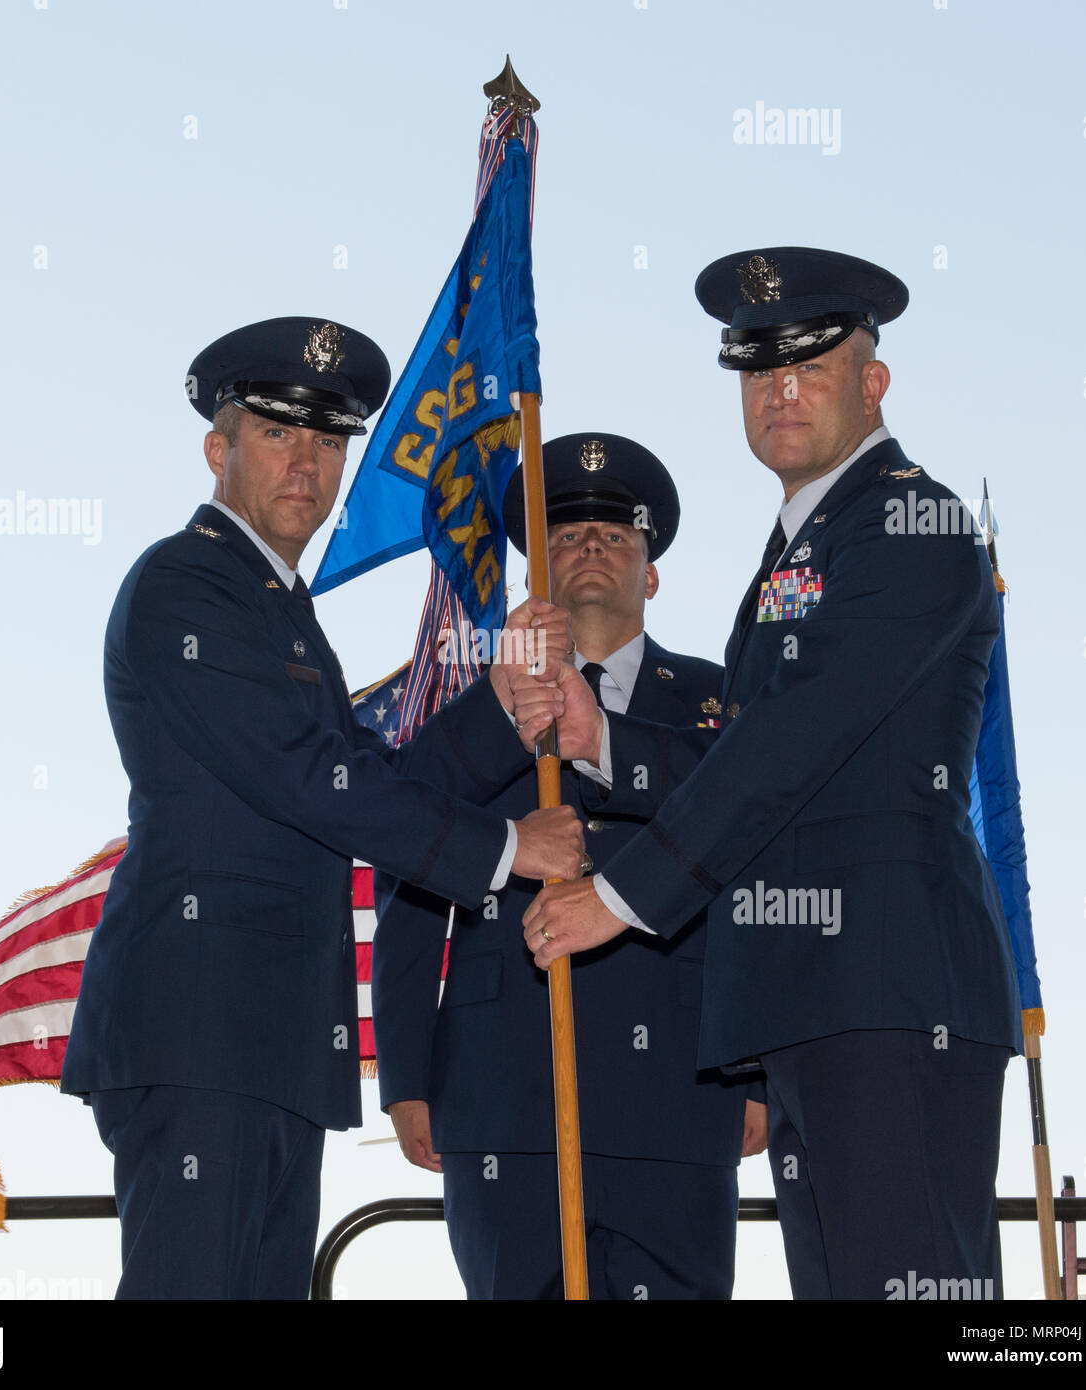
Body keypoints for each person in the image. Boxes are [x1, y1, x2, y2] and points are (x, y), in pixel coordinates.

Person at [517, 251, 1023, 1301]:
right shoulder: (803, 543)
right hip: (808, 1001)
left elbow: (799, 736)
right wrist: (601, 738)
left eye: (808, 366)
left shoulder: (907, 523)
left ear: (871, 381)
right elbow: (751, 750)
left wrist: (621, 895)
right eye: (757, 373)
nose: (778, 393)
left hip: (887, 993)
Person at [60, 316, 583, 1299]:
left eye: (327, 439)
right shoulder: (188, 585)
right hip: (202, 1033)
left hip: (264, 1045)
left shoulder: (275, 608)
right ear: (217, 450)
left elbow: (366, 768)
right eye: (275, 433)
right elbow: (312, 779)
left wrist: (502, 705)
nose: (307, 461)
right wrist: (508, 845)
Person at [372, 432, 765, 1300]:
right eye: (566, 534)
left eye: (616, 535)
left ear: (652, 573)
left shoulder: (719, 702)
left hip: (678, 1093)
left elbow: (753, 884)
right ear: (531, 577)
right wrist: (406, 1076)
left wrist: (759, 1071)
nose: (591, 545)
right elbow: (407, 878)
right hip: (501, 1094)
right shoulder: (475, 708)